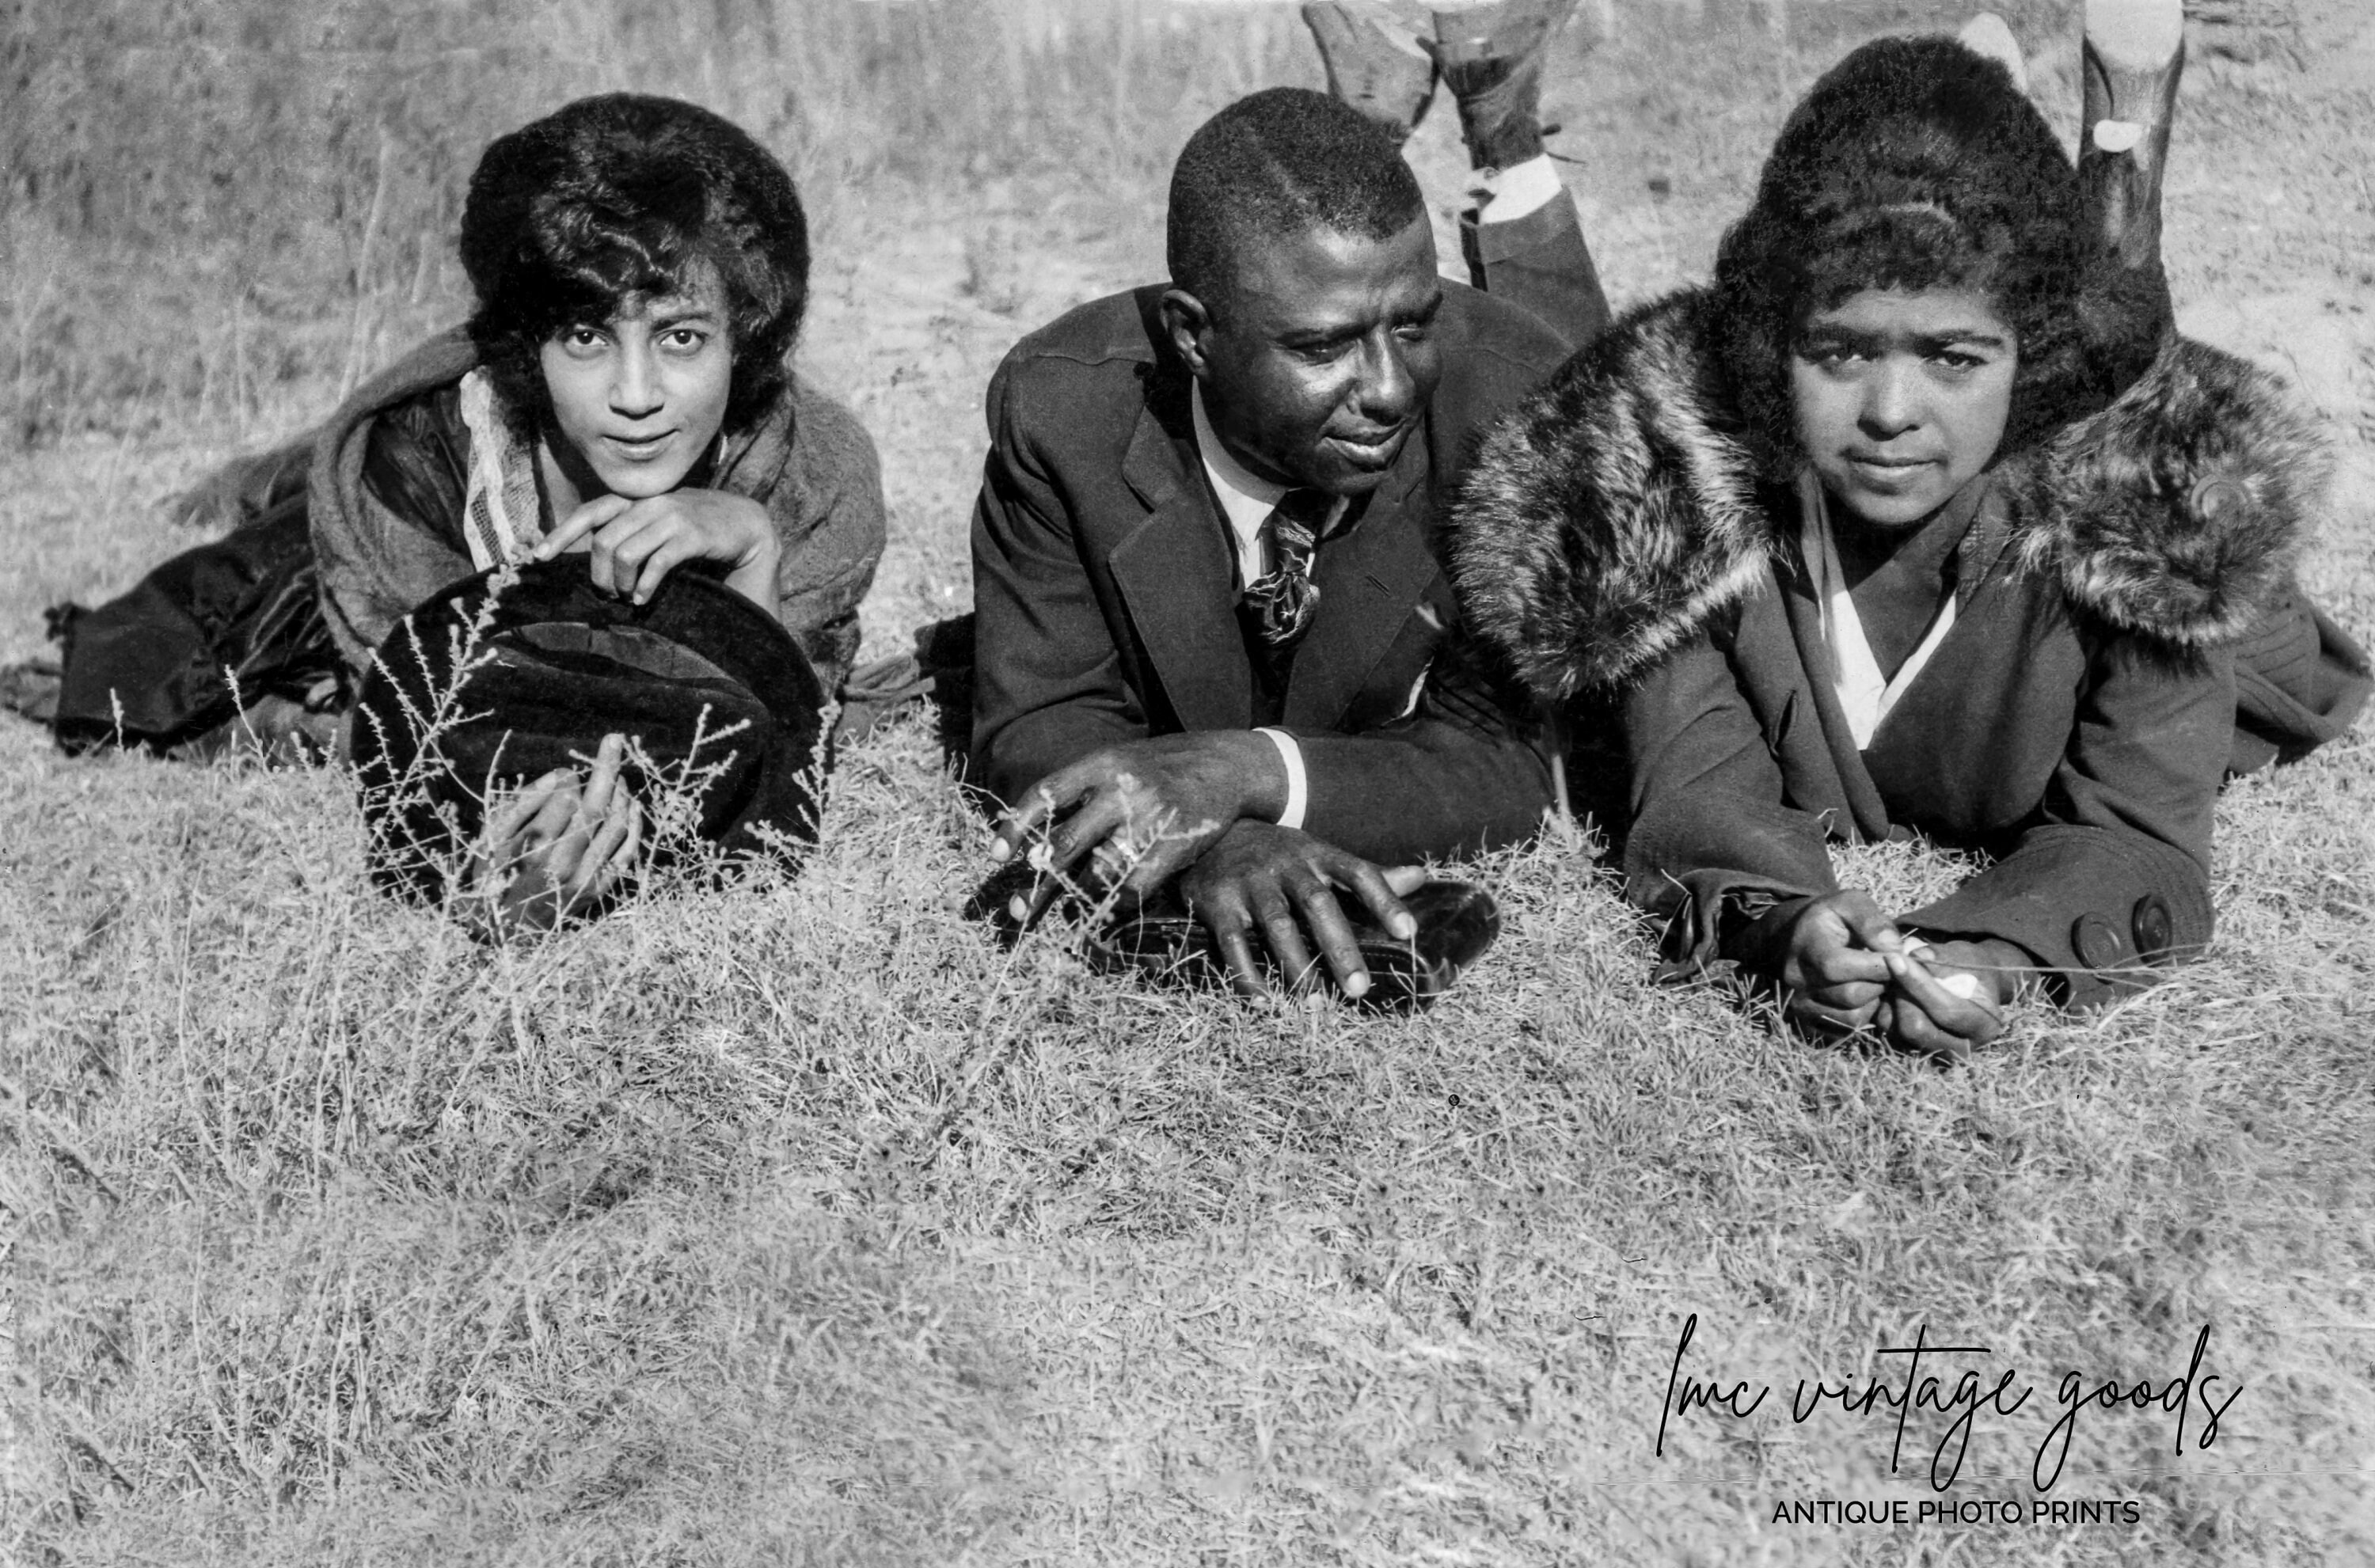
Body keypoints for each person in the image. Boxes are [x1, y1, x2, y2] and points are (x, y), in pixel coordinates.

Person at [1450, 20, 2369, 1056]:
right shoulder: (1685, 496)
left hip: (2154, 563)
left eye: (1952, 357)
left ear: (2027, 357)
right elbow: (1700, 786)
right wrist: (1783, 924)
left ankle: (2120, 172)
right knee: (1577, 393)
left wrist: (2001, 956)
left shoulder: (2155, 508)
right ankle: (1509, 156)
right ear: (1770, 345)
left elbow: (2141, 834)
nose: (1891, 410)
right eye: (1838, 352)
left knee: (2169, 427)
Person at [25, 93, 887, 929]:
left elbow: (785, 752)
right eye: (586, 337)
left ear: (747, 337)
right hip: (384, 497)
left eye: (681, 338)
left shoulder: (817, 475)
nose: (636, 397)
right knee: (206, 634)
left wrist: (752, 554)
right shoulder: (417, 462)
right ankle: (254, 473)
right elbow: (425, 727)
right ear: (531, 346)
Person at [970, 0, 1611, 1002]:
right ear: (1191, 336)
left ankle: (1502, 124)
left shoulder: (1510, 417)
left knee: (1600, 388)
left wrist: (1245, 774)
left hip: (1566, 399)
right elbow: (1043, 719)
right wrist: (1213, 845)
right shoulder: (1064, 414)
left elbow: (1506, 758)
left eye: (1414, 324)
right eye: (1322, 348)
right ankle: (1388, 109)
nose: (1392, 387)